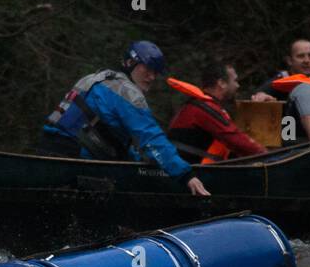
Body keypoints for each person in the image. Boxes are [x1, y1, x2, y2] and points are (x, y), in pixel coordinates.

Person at [38, 41, 210, 196]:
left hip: (47, 149)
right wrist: (185, 175)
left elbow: (111, 138)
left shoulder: (93, 78)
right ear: (130, 63)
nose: (152, 77)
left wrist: (136, 161)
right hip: (75, 159)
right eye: (147, 69)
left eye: (155, 72)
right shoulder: (128, 93)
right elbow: (150, 137)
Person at [167, 59, 266, 161]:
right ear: (222, 83)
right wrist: (268, 156)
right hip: (191, 172)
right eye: (235, 81)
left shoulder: (201, 105)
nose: (238, 85)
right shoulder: (203, 108)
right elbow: (236, 139)